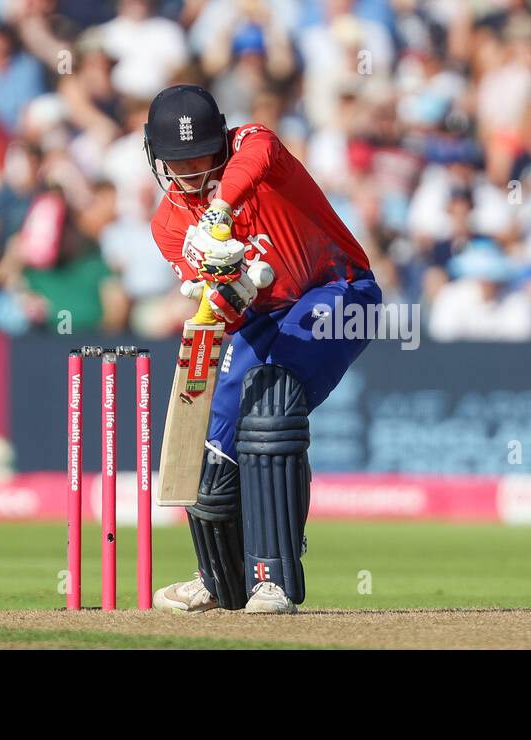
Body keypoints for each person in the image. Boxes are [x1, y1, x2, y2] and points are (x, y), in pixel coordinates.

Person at [143, 85, 379, 614]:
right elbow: (219, 312)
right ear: (158, 160)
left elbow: (259, 152)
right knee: (213, 432)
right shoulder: (167, 225)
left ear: (223, 142)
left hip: (340, 293)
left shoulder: (254, 146)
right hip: (261, 316)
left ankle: (273, 577)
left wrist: (220, 211)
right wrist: (228, 291)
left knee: (271, 406)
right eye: (180, 161)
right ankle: (220, 579)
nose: (193, 170)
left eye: (203, 154)